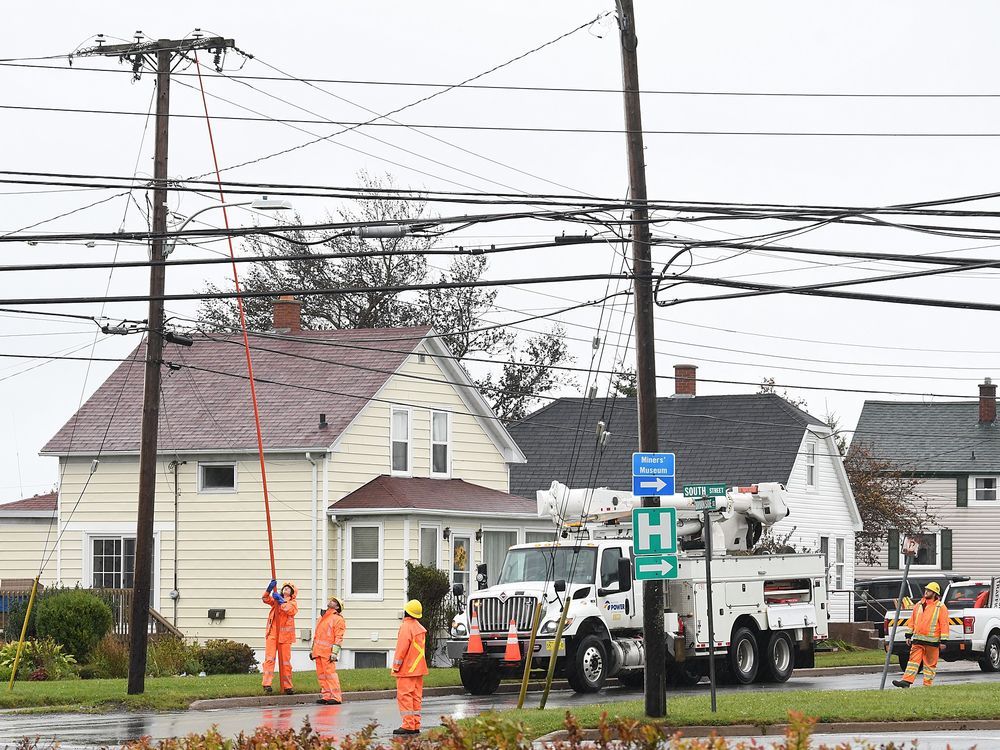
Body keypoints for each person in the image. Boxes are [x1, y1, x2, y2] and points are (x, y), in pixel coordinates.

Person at [893, 581, 950, 688]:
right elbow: (912, 621)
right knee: (912, 662)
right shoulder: (918, 605)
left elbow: (944, 624)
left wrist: (944, 641)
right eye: (926, 590)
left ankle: (927, 685)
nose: (926, 592)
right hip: (918, 640)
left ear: (935, 593)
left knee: (929, 665)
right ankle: (906, 682)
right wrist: (908, 635)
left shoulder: (940, 607)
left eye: (929, 590)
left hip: (932, 642)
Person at [391, 599, 428, 735]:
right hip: (419, 669)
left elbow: (401, 648)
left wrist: (396, 666)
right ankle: (415, 724)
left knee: (405, 696)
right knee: (416, 697)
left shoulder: (406, 627)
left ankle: (408, 725)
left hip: (407, 669)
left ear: (406, 611)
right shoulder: (420, 628)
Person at [262, 579, 298, 695]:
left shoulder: (292, 603)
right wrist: (268, 590)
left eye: (289, 588)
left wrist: (281, 600)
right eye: (285, 587)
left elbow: (290, 610)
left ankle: (287, 686)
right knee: (269, 659)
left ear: (292, 593)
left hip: (285, 637)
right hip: (272, 634)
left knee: (285, 663)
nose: (286, 589)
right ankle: (266, 684)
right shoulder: (276, 600)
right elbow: (265, 599)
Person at [311, 596, 346, 705]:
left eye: (334, 601)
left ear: (337, 607)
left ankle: (336, 697)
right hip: (318, 651)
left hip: (327, 652)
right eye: (331, 600)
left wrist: (334, 653)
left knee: (330, 675)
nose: (331, 601)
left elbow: (338, 637)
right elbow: (317, 636)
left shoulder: (338, 619)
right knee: (321, 676)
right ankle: (326, 695)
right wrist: (313, 650)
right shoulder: (322, 617)